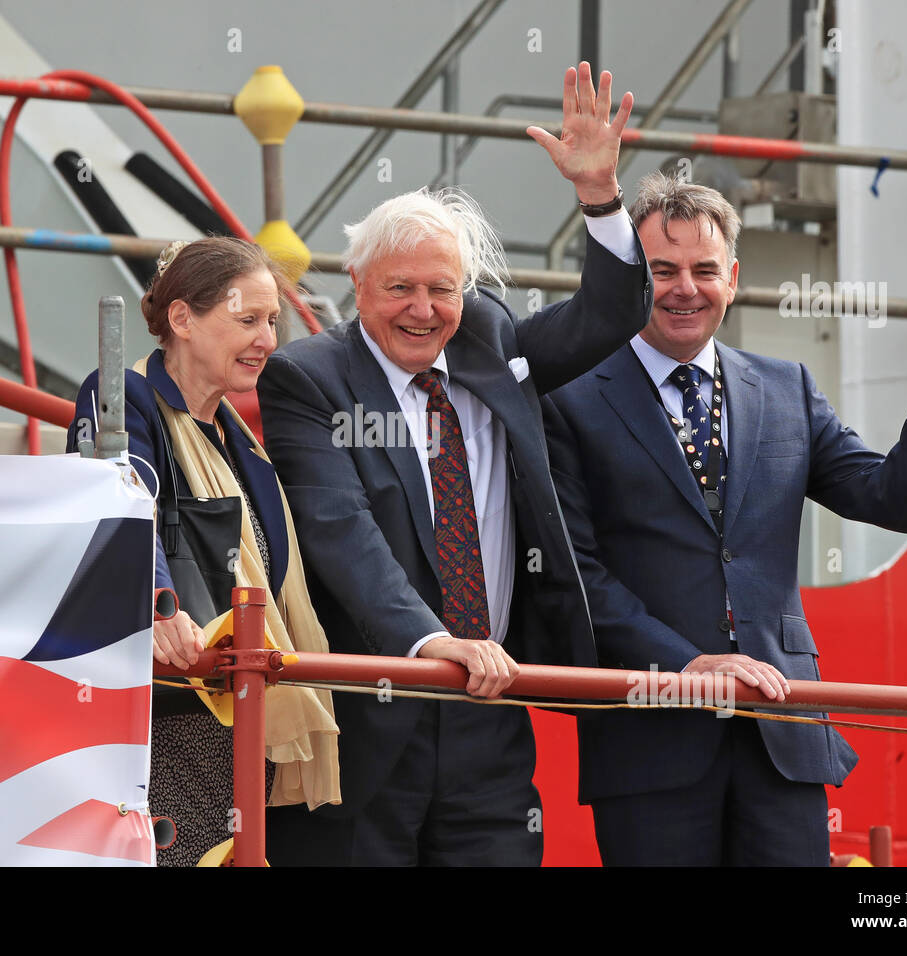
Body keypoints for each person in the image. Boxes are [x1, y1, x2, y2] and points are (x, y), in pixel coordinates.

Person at [544, 172, 907, 866]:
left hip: (783, 736)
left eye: (705, 270)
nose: (686, 288)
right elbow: (578, 576)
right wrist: (690, 665)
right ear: (630, 280)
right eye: (662, 270)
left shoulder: (785, 386)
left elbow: (891, 499)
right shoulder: (571, 397)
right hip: (650, 737)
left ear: (732, 279)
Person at [256, 62, 652, 866]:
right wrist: (432, 642)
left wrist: (600, 196)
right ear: (357, 285)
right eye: (398, 287)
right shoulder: (308, 379)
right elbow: (342, 534)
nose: (422, 309)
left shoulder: (489, 342)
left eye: (442, 288)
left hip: (491, 716)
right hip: (373, 713)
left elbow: (611, 315)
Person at [66, 237, 339, 866]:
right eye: (247, 320)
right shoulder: (122, 396)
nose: (268, 339)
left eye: (273, 321)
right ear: (183, 320)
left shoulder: (240, 437)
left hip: (236, 718)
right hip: (164, 717)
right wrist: (159, 606)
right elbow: (119, 499)